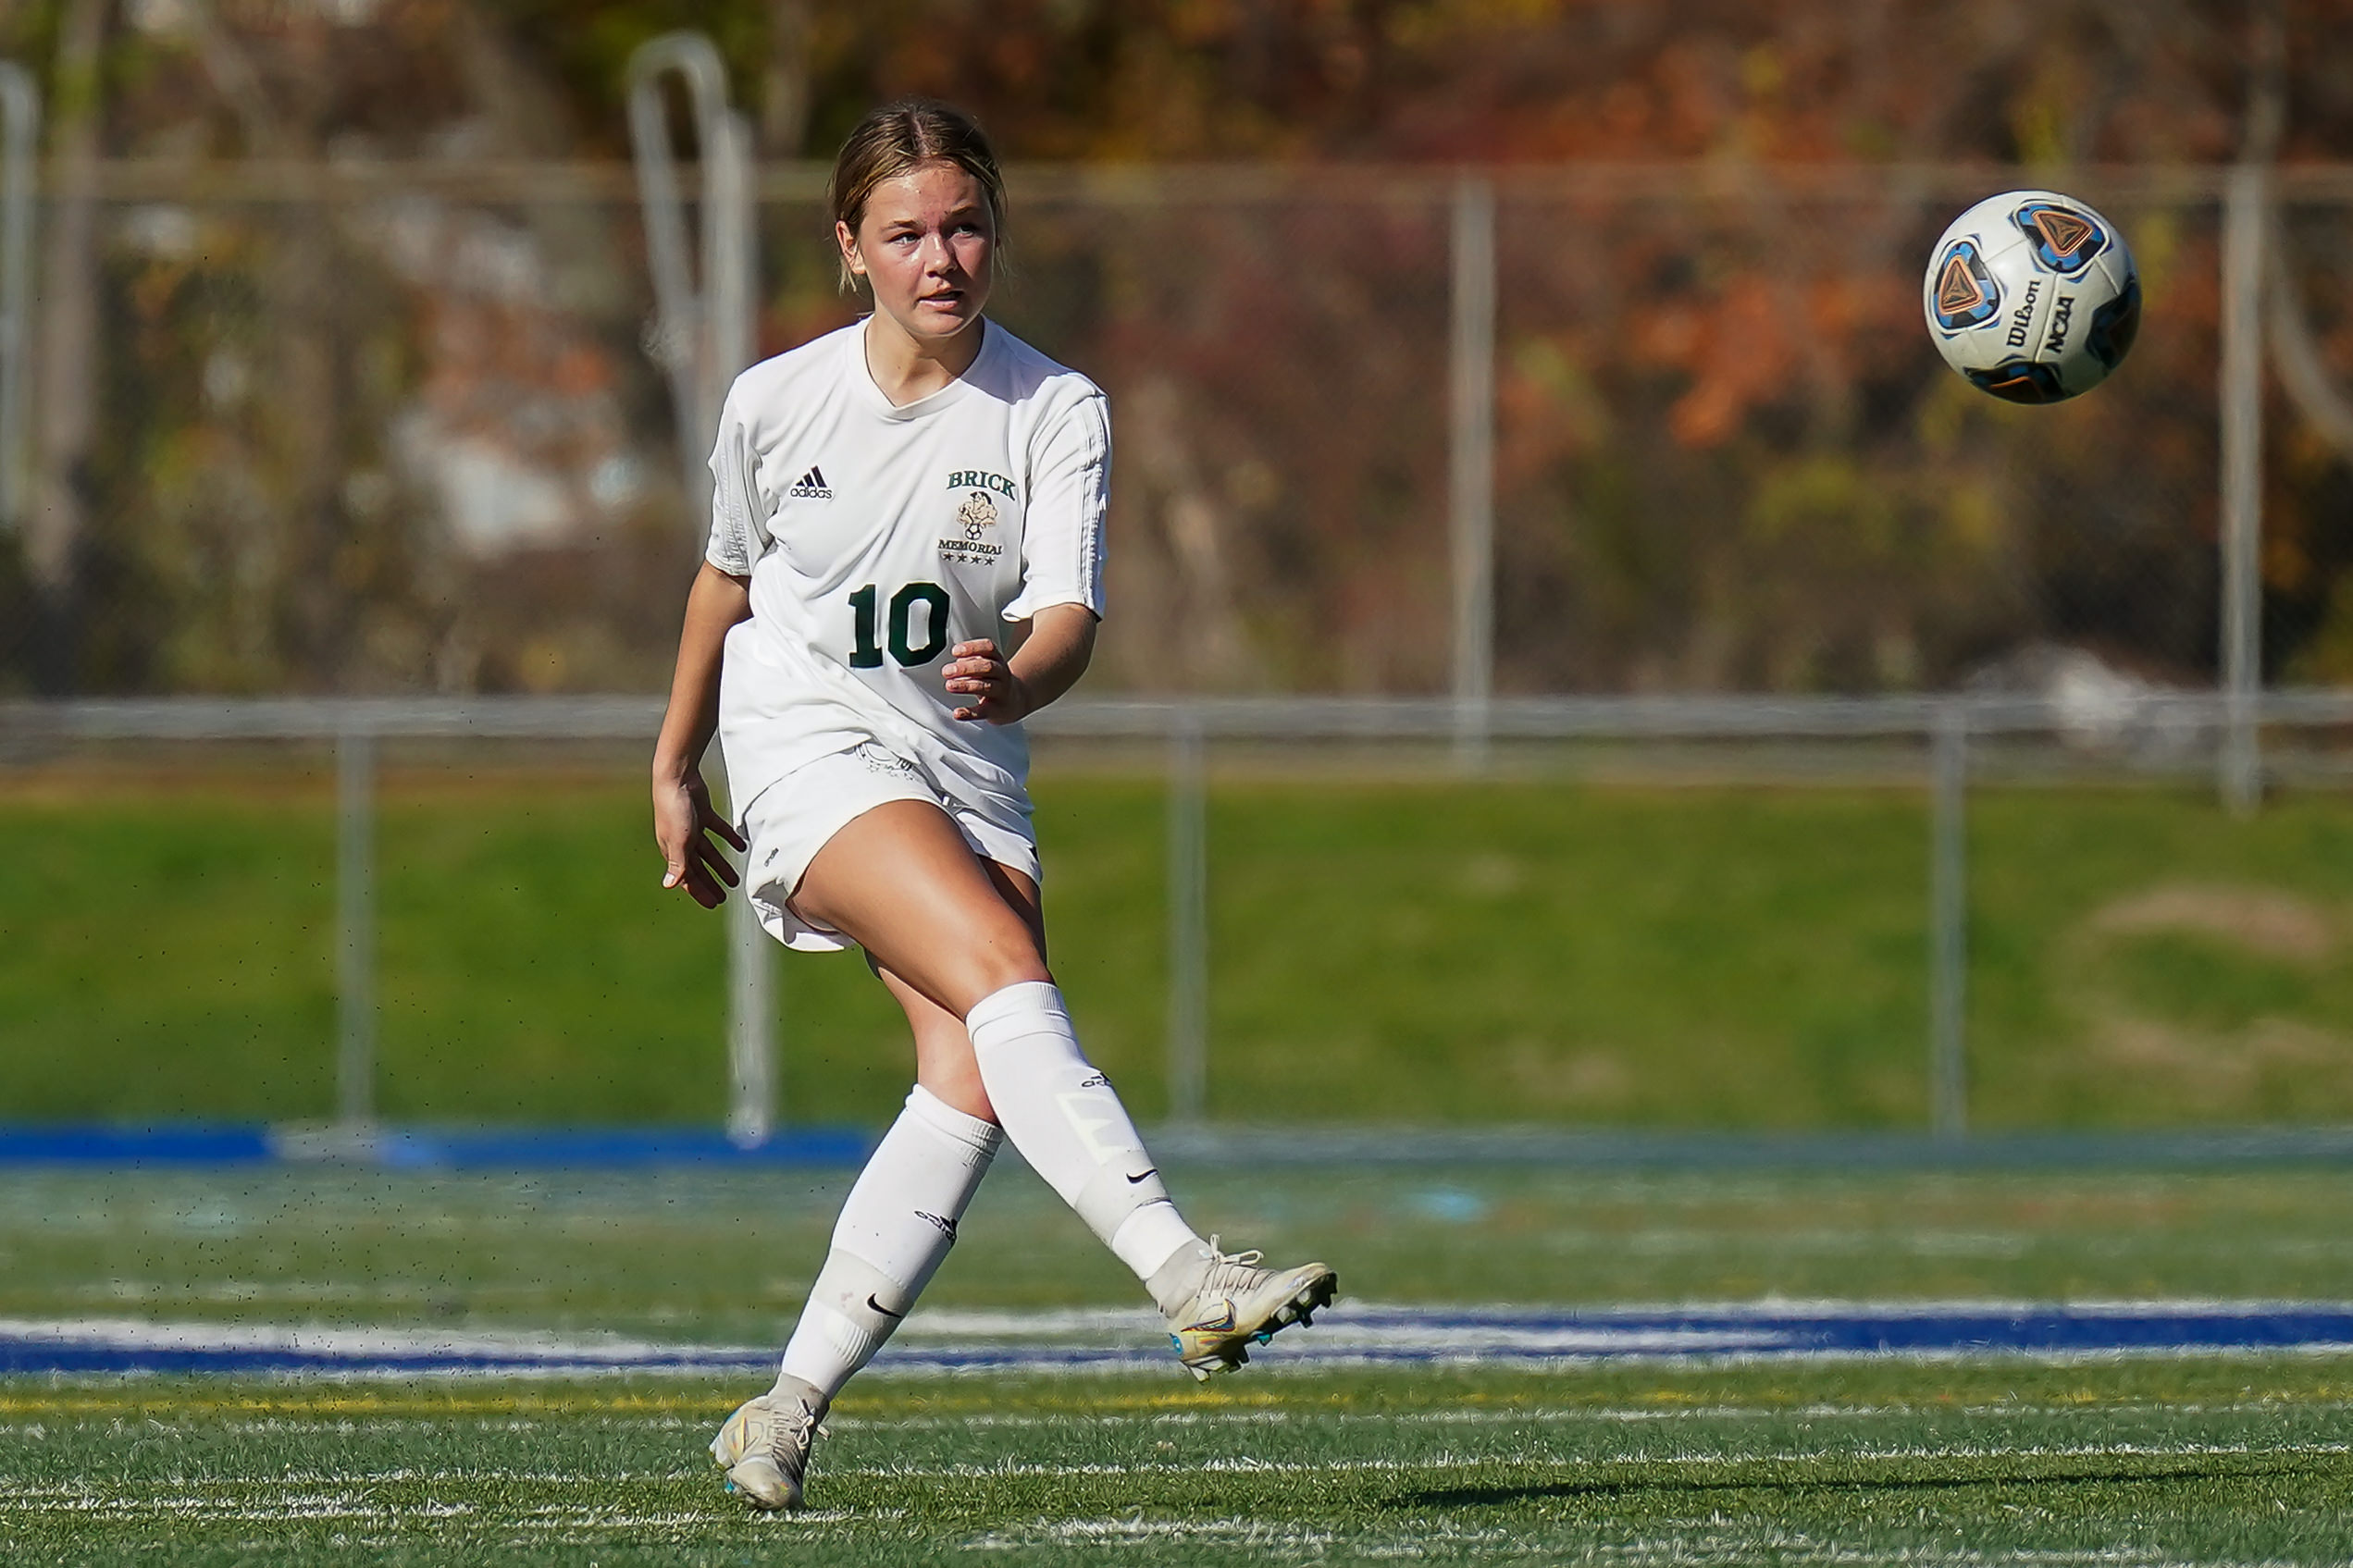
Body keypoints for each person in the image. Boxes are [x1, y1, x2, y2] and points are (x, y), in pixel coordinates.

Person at [649, 98, 1336, 1513]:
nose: (939, 257)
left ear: (996, 234)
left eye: (963, 225)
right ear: (851, 248)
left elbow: (1071, 619)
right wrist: (674, 762)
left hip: (967, 766)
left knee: (967, 1083)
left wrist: (1018, 682)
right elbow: (724, 583)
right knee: (1008, 974)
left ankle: (781, 1411)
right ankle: (1186, 1274)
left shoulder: (1055, 405)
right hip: (808, 745)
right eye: (904, 233)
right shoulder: (776, 403)